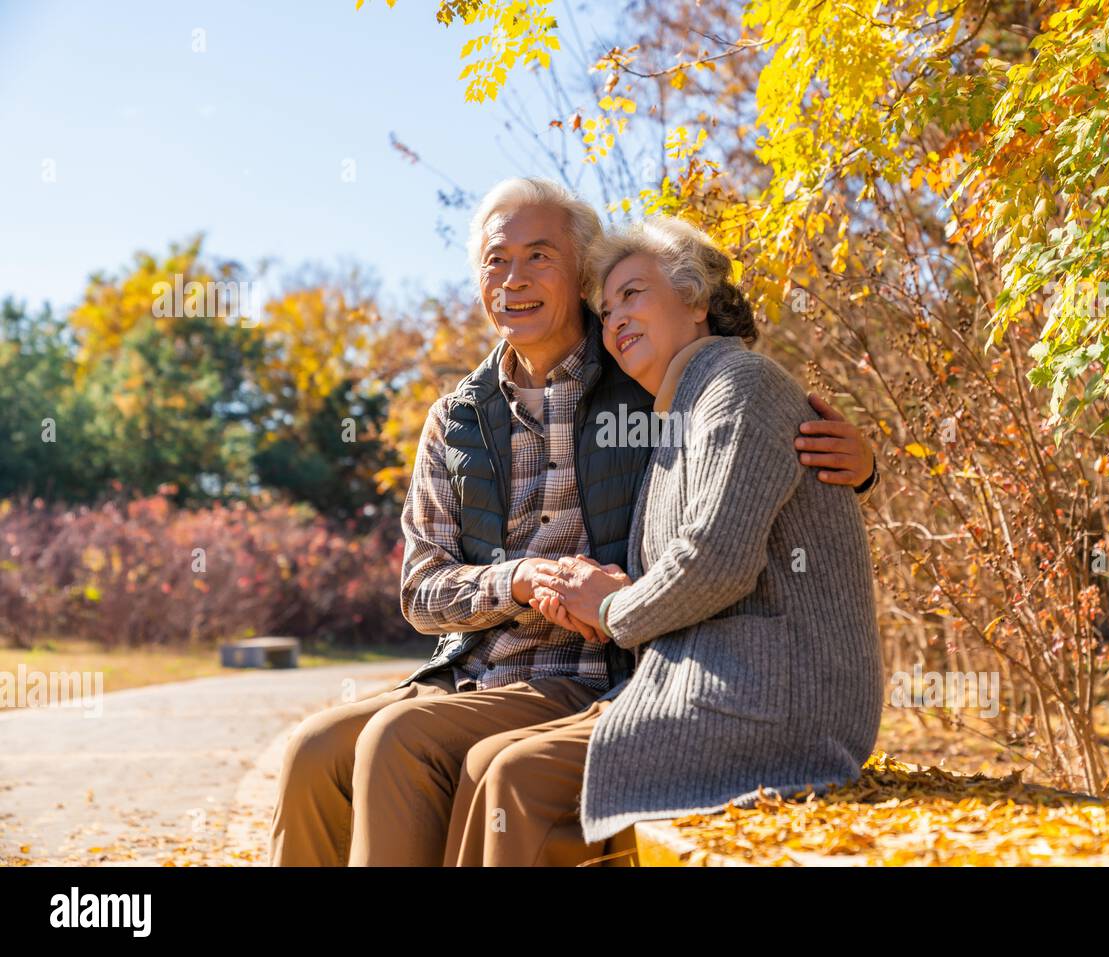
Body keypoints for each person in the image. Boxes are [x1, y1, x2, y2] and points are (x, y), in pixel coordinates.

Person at [270, 181, 878, 866]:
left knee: (401, 743)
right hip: (473, 672)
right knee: (314, 751)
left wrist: (858, 463)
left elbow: (750, 462)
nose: (516, 278)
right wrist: (516, 581)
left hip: (593, 669)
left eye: (539, 256)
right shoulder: (458, 419)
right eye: (497, 261)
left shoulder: (645, 382)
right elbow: (420, 589)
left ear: (579, 273)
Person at [444, 216, 883, 867]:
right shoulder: (678, 416)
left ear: (696, 300)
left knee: (518, 778)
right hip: (706, 683)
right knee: (486, 762)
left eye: (634, 293)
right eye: (607, 305)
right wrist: (588, 592)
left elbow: (716, 559)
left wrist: (612, 609)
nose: (615, 316)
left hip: (778, 696)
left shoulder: (741, 385)